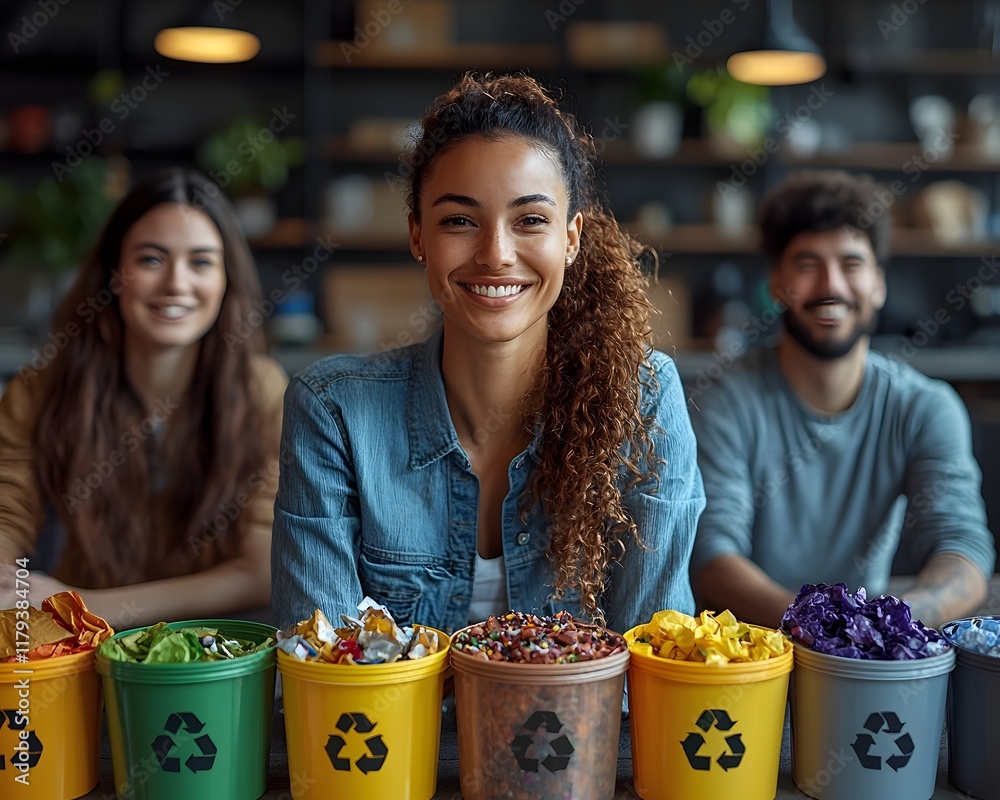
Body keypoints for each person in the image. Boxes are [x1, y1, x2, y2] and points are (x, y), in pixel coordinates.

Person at [272, 73, 705, 636]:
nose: (496, 254)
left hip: (586, 727)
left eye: (530, 220)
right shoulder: (333, 411)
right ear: (418, 236)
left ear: (570, 239)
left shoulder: (642, 398)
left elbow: (655, 659)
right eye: (459, 220)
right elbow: (321, 665)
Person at [690, 169, 995, 629]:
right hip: (749, 657)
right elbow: (713, 555)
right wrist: (821, 627)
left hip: (870, 660)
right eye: (808, 265)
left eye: (851, 264)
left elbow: (964, 550)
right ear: (777, 284)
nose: (831, 284)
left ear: (878, 283)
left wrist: (883, 627)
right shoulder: (725, 400)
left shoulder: (924, 406)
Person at [0, 168, 287, 627]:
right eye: (151, 260)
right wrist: (8, 582)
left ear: (226, 279)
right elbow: (6, 512)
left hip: (215, 652)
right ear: (114, 274)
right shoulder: (41, 388)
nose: (176, 283)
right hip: (81, 653)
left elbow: (262, 571)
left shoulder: (263, 391)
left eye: (201, 262)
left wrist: (85, 604)